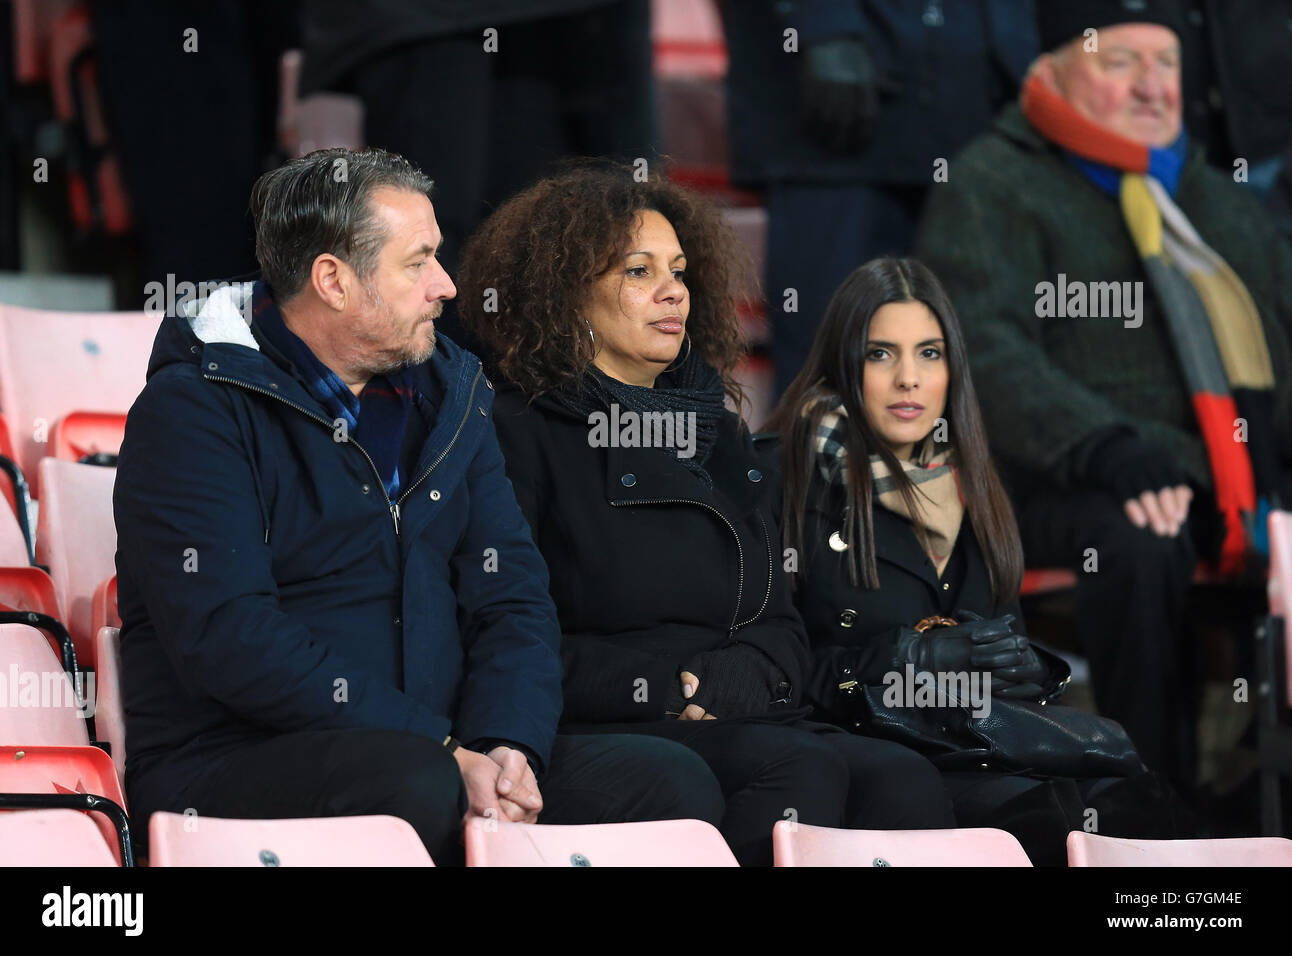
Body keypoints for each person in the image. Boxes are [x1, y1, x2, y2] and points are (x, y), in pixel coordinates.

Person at [114, 147, 726, 867]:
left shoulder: (450, 396)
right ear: (334, 281)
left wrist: (506, 744)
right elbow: (228, 635)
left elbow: (515, 600)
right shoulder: (194, 409)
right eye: (419, 263)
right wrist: (437, 746)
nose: (447, 286)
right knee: (413, 782)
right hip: (233, 758)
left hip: (443, 748)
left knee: (665, 779)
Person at [458, 161, 956, 866]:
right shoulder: (519, 430)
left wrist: (738, 676)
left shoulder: (717, 430)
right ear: (564, 294)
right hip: (605, 722)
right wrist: (665, 687)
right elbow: (508, 630)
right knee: (794, 767)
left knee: (901, 775)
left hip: (740, 709)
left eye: (681, 271)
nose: (673, 292)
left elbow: (781, 622)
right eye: (638, 272)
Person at [914, 0, 1292, 794]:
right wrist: (1107, 447)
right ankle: (1143, 798)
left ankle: (1259, 794)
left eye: (1168, 65)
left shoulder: (1215, 198)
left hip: (1208, 482)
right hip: (1049, 483)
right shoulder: (992, 181)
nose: (1153, 87)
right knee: (1138, 541)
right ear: (1048, 72)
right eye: (1122, 62)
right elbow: (980, 346)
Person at [766, 256, 1191, 865]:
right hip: (867, 754)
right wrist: (909, 658)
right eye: (881, 354)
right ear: (843, 364)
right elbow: (776, 673)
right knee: (1056, 820)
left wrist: (1024, 668)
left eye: (929, 354)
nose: (908, 378)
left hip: (973, 743)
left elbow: (1000, 644)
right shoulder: (789, 476)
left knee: (1131, 802)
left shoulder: (974, 484)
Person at [722, 0, 1038, 394]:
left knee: (971, 371)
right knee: (832, 365)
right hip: (838, 127)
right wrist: (825, 25)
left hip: (987, 102)